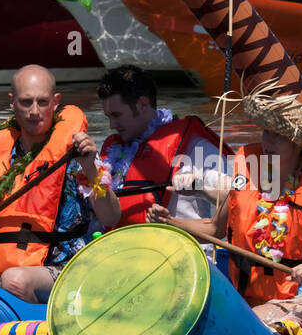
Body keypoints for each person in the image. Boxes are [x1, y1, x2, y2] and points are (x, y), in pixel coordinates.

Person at [146, 88, 302, 324]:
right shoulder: (248, 177)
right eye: (266, 132)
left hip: (298, 301)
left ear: (299, 144)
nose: (267, 142)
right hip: (242, 298)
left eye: (278, 136)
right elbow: (213, 228)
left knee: (250, 322)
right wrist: (169, 222)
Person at [0, 65, 97, 302]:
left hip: (61, 265)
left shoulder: (77, 151)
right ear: (12, 102)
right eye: (26, 102)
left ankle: (25, 330)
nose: (35, 111)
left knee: (15, 280)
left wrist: (90, 167)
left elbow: (111, 216)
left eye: (42, 102)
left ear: (55, 102)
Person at [83, 65, 224, 230]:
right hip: (125, 250)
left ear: (142, 104)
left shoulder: (195, 147)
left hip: (183, 249)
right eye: (108, 117)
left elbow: (236, 200)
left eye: (117, 115)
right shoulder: (113, 151)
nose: (112, 125)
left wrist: (201, 188)